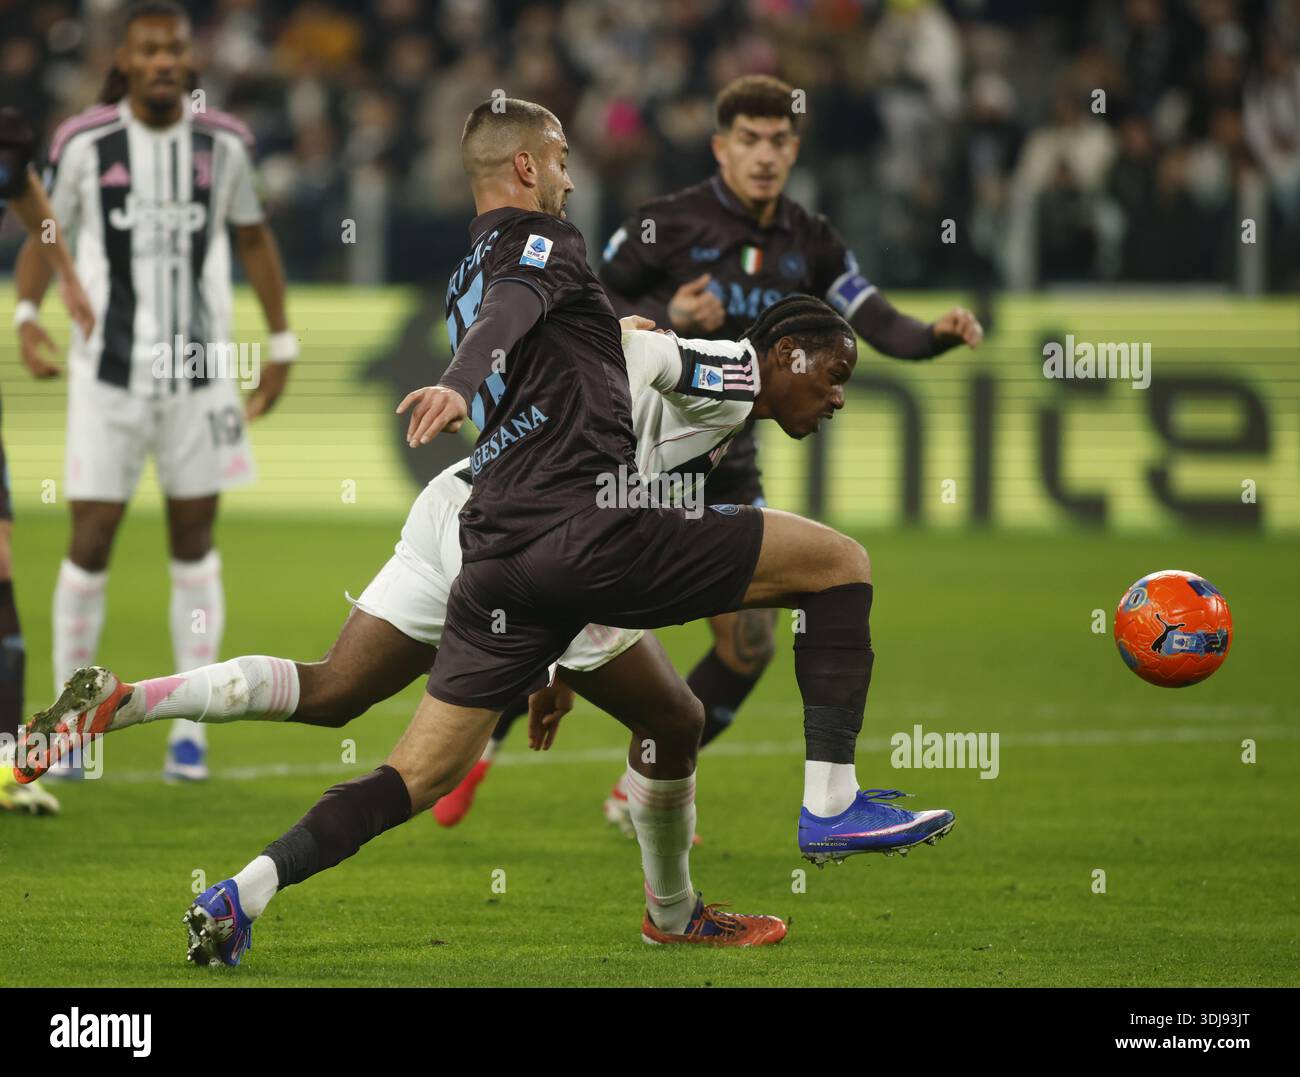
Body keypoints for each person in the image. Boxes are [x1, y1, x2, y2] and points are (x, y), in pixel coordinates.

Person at [20, 99, 952, 965]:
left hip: (482, 523)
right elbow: (584, 330)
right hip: (573, 524)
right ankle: (785, 834)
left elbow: (550, 336)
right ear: (523, 166)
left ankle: (205, 827)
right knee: (829, 572)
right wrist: (463, 385)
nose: (834, 398)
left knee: (362, 709)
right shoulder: (640, 311)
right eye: (832, 378)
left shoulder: (471, 265)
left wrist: (551, 652)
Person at [586, 73, 983, 831]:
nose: (764, 155)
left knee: (746, 645)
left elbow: (871, 319)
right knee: (588, 600)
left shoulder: (812, 238)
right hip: (646, 450)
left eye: (777, 141)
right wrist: (666, 314)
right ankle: (509, 726)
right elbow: (591, 309)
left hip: (727, 459)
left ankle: (641, 775)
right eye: (749, 140)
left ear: (794, 148)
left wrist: (931, 337)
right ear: (720, 147)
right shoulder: (664, 224)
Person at [11, 0, 295, 782]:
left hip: (199, 379)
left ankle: (191, 729)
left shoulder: (226, 144)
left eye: (175, 48)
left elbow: (252, 237)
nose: (165, 60)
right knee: (91, 536)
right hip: (108, 375)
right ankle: (70, 729)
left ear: (189, 63)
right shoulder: (83, 142)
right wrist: (27, 311)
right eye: (150, 50)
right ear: (127, 62)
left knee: (194, 537)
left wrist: (282, 342)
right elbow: (45, 228)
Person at [0, 105, 94, 816]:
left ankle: (5, 758)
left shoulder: (7, 144)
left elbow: (40, 211)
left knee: (1, 561)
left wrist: (60, 280)